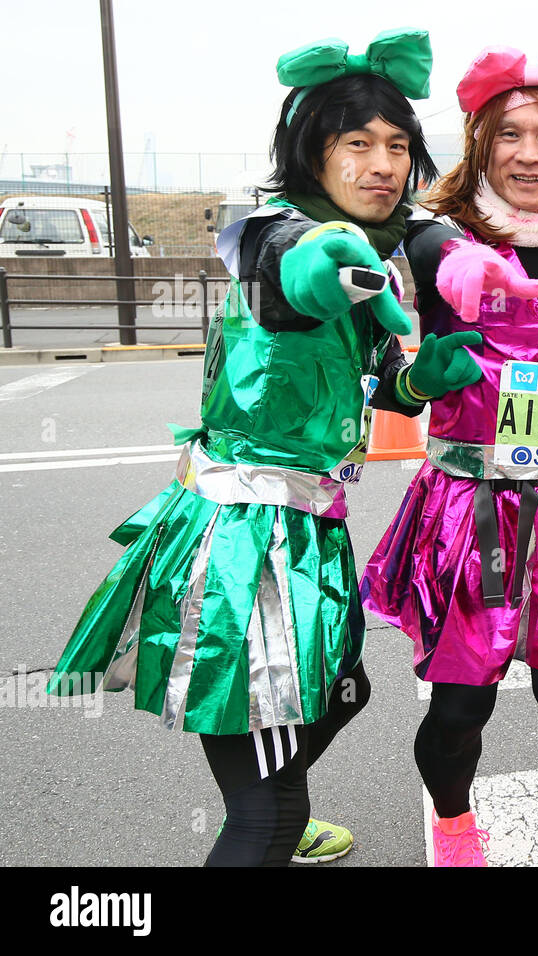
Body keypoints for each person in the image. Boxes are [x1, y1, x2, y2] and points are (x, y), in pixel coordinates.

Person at [46, 29, 481, 866]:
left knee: (343, 688)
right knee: (271, 817)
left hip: (305, 528)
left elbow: (379, 380)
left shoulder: (374, 261)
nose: (381, 163)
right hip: (246, 543)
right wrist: (325, 263)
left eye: (396, 146)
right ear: (310, 155)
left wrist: (419, 380)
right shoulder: (273, 234)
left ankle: (259, 801)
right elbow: (292, 278)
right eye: (355, 144)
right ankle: (262, 815)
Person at [360, 36, 538, 866]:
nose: (529, 152)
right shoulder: (435, 240)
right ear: (482, 145)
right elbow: (423, 273)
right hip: (467, 507)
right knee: (457, 707)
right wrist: (461, 265)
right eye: (510, 133)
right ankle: (454, 821)